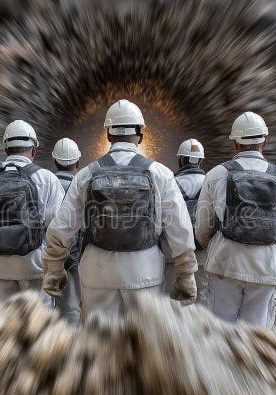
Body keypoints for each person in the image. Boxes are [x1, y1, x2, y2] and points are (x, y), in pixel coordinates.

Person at [41, 99, 198, 320]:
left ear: (108, 135)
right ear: (140, 137)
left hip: (98, 274)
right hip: (145, 273)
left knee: (99, 347)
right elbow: (179, 228)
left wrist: (55, 269)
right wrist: (185, 273)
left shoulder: (86, 175)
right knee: (143, 346)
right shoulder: (160, 174)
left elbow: (62, 228)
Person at [194, 112, 276, 328]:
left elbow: (203, 225)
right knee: (256, 339)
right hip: (267, 267)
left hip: (225, 263)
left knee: (219, 333)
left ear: (235, 143)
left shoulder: (216, 174)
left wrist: (215, 247)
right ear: (265, 141)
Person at [0, 120, 64, 305]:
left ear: (6, 149)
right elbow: (58, 227)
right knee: (37, 326)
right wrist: (55, 265)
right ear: (34, 150)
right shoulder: (47, 179)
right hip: (34, 266)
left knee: (1, 327)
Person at [163, 139, 209, 306]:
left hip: (174, 255)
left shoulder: (169, 182)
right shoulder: (211, 182)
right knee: (202, 298)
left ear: (180, 159)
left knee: (174, 301)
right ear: (201, 160)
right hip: (203, 255)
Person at [51, 138, 83, 325]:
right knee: (72, 307)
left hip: (47, 257)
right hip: (75, 258)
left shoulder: (44, 182)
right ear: (77, 163)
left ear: (55, 161)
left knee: (47, 306)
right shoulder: (83, 183)